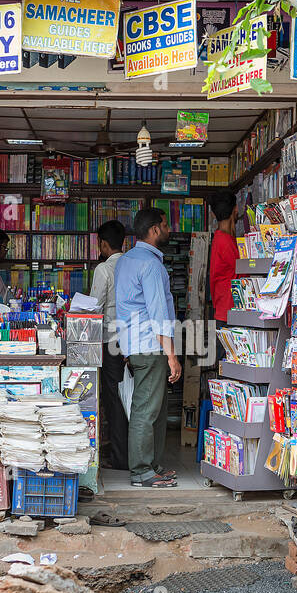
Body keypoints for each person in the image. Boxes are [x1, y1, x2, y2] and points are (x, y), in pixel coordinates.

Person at [115, 207, 181, 487]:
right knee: (146, 410)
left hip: (134, 344)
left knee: (154, 408)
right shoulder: (151, 265)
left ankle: (151, 465)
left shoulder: (126, 261)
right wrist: (172, 356)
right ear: (154, 230)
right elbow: (158, 314)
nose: (169, 230)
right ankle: (142, 471)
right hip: (150, 345)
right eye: (165, 225)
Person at [88, 219, 128, 470]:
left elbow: (93, 307)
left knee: (113, 398)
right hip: (131, 341)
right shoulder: (133, 265)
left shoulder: (103, 269)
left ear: (103, 244)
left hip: (109, 340)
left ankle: (119, 456)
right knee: (128, 397)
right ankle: (128, 452)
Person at [207, 189, 238, 366]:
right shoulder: (226, 241)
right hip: (229, 311)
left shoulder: (219, 239)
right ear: (235, 210)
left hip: (222, 309)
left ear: (213, 214)